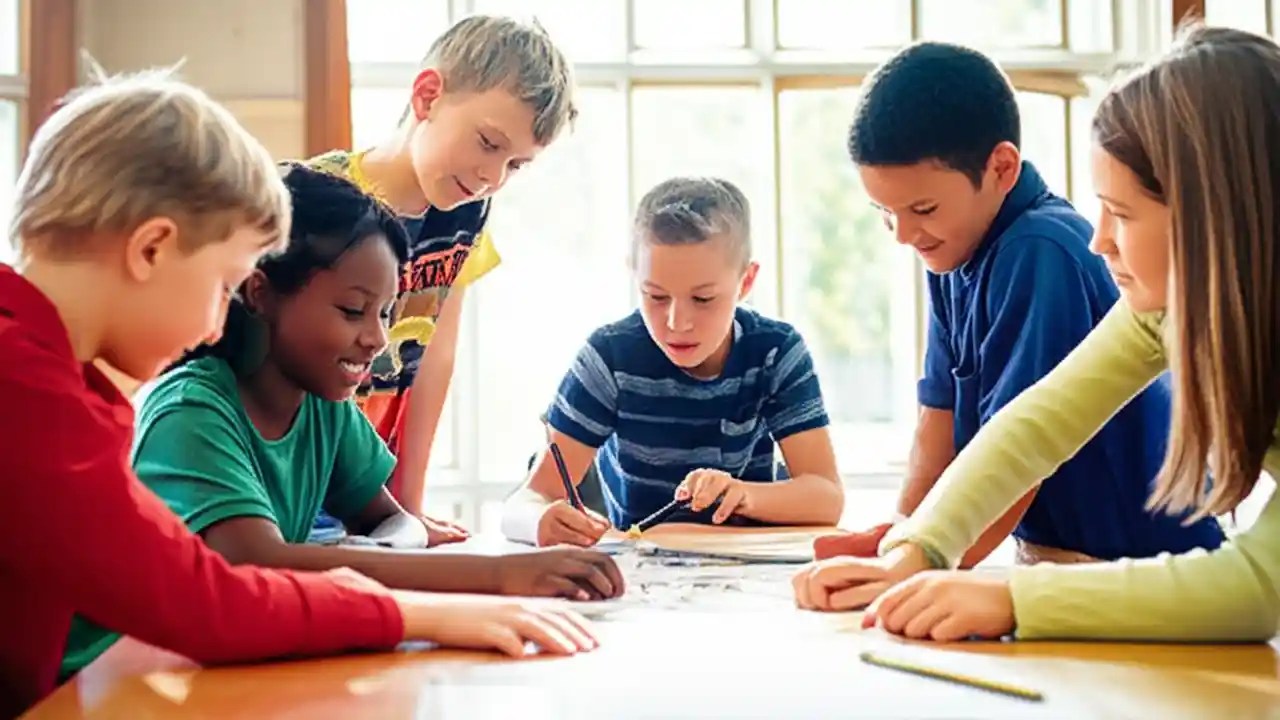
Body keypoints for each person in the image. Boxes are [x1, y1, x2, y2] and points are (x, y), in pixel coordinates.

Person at [0, 70, 597, 719]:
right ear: (152, 248)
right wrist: (420, 611)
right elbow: (205, 602)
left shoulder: (51, 379)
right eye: (221, 284)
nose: (214, 322)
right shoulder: (24, 391)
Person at [796, 25, 1280, 644]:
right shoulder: (1159, 308)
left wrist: (1013, 596)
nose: (1099, 240)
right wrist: (917, 549)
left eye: (1123, 215)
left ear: (1214, 216)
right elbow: (1037, 422)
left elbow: (1262, 588)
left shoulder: (1046, 248)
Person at [502, 177, 842, 547]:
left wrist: (743, 494)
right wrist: (539, 521)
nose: (677, 323)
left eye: (704, 299)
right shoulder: (610, 356)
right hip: (639, 576)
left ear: (746, 282)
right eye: (656, 296)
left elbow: (826, 497)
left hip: (749, 567)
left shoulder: (776, 351)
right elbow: (523, 503)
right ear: (635, 275)